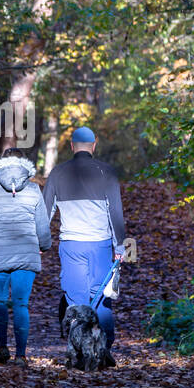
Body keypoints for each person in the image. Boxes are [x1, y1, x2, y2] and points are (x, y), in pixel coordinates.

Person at [43, 126, 126, 367]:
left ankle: (79, 354)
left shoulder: (57, 173)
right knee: (101, 300)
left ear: (71, 146)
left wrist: (40, 241)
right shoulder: (107, 172)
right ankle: (104, 351)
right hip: (100, 245)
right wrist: (119, 245)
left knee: (76, 301)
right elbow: (115, 212)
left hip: (71, 245)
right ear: (94, 145)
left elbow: (45, 212)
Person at [0, 148, 52, 367]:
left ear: (1, 163)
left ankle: (2, 348)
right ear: (23, 164)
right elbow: (42, 225)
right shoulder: (33, 189)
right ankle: (21, 356)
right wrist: (44, 245)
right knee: (21, 304)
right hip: (26, 253)